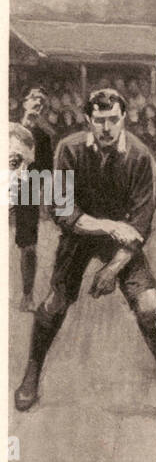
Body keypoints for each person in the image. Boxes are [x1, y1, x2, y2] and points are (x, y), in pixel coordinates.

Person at [13, 88, 156, 429]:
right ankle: (33, 370)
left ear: (124, 118)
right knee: (53, 304)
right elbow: (62, 211)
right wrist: (109, 226)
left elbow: (139, 226)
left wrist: (113, 268)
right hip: (81, 234)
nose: (106, 128)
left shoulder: (140, 157)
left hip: (124, 244)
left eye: (113, 120)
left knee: (153, 308)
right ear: (88, 121)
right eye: (99, 120)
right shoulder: (69, 149)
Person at [14, 88, 55, 312]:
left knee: (28, 247)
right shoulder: (8, 129)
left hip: (26, 193)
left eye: (41, 101)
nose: (37, 103)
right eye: (33, 99)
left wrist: (45, 199)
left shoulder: (44, 136)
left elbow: (47, 172)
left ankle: (27, 295)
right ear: (24, 102)